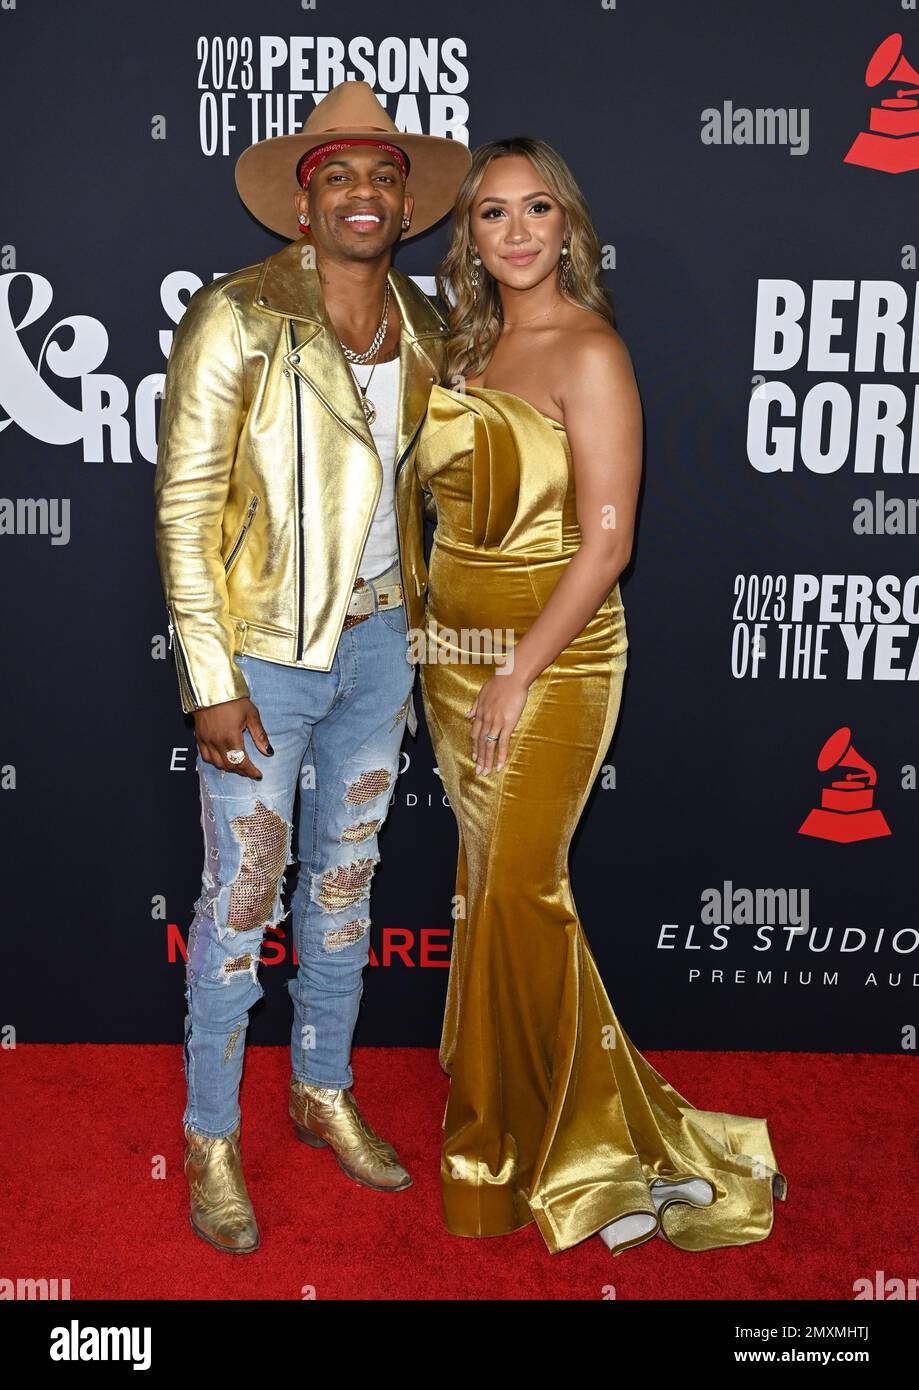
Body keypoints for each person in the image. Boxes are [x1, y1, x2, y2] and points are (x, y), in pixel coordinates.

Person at [406, 137, 788, 1256]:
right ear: (467, 236)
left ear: (568, 225)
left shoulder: (590, 351)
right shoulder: (464, 345)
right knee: (489, 895)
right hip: (452, 651)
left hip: (553, 657)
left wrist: (519, 669)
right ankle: (516, 1130)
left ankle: (543, 1144)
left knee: (522, 888)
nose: (516, 232)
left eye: (536, 210)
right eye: (491, 214)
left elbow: (608, 544)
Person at [153, 80, 470, 1253]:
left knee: (344, 894)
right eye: (338, 173)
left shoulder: (430, 326)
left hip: (381, 650)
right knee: (238, 909)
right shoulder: (236, 315)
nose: (363, 193)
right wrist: (208, 674)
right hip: (262, 661)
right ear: (304, 199)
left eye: (383, 174)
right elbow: (185, 506)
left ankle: (321, 1087)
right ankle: (209, 1135)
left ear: (405, 199)